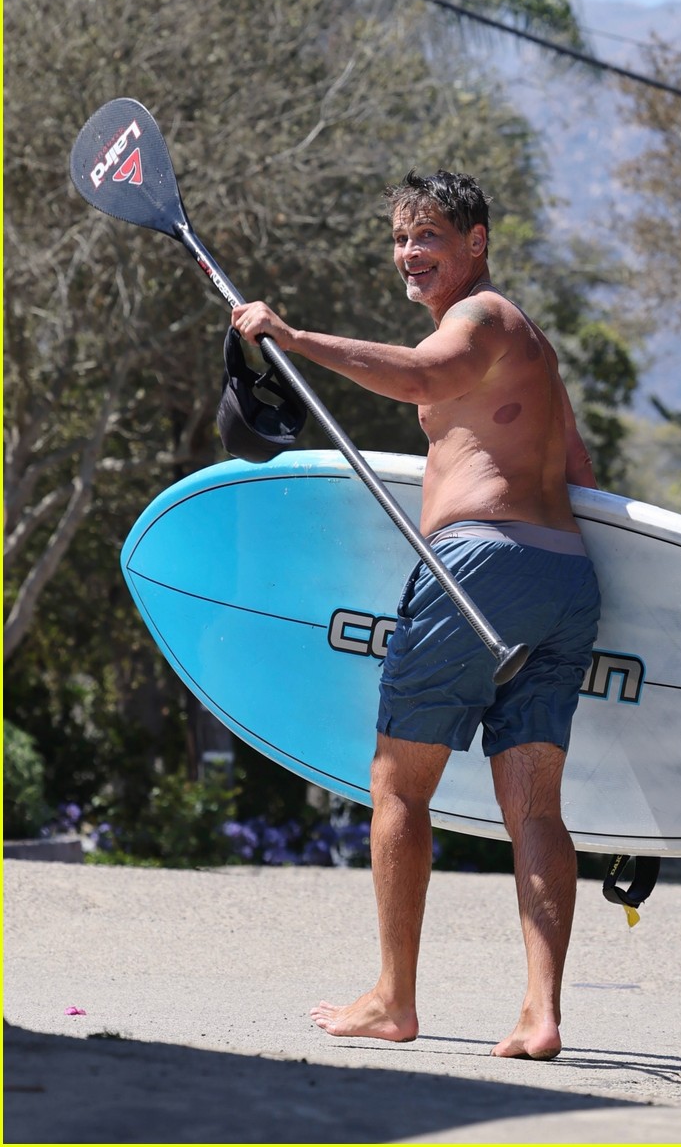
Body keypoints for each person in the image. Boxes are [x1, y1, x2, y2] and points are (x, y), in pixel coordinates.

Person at [231, 169, 601, 1061]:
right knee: (535, 806)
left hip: (477, 569)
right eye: (399, 238)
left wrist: (291, 335)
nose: (409, 253)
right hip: (564, 580)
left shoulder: (481, 320)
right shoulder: (531, 349)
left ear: (476, 241)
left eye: (427, 236)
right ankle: (539, 1013)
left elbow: (418, 374)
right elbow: (585, 478)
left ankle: (394, 998)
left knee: (399, 786)